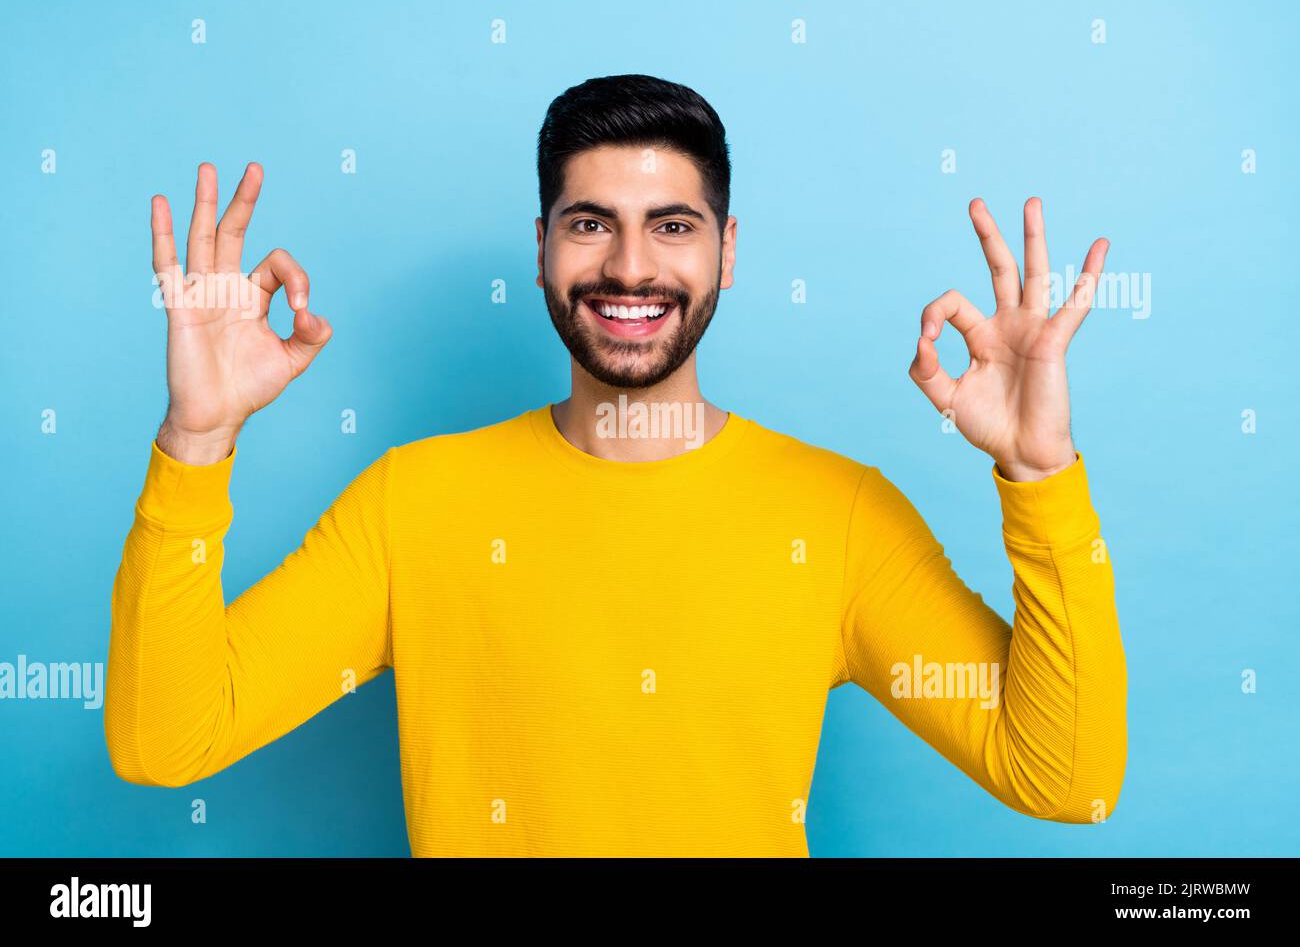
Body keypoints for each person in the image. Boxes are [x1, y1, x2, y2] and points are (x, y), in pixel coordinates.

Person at [105, 73, 1127, 857]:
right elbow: (166, 743)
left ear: (726, 250)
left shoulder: (840, 513)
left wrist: (1043, 476)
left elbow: (1064, 778)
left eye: (670, 227)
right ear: (542, 245)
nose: (631, 266)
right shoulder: (411, 504)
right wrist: (196, 441)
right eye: (591, 223)